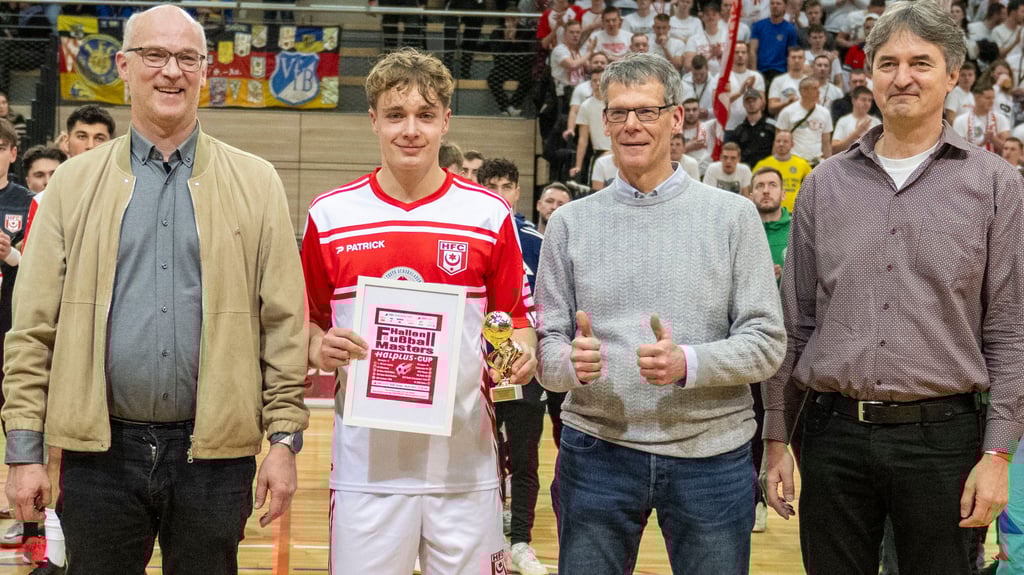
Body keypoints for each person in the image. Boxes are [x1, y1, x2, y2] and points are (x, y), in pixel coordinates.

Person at [1, 6, 310, 574]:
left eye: (187, 58)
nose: (172, 71)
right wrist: (23, 451)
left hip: (215, 459)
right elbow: (33, 330)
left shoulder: (257, 182)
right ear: (123, 65)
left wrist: (285, 442)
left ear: (204, 72)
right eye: (155, 55)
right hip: (99, 457)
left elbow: (286, 327)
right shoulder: (72, 184)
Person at [763, 3, 1022, 574]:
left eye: (920, 63)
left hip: (944, 441)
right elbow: (796, 323)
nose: (902, 77)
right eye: (888, 63)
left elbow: (1008, 329)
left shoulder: (997, 185)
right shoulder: (823, 184)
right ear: (869, 76)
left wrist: (997, 454)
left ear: (954, 75)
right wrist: (776, 441)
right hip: (832, 439)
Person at [535, 52, 785, 575]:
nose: (631, 125)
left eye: (647, 111)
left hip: (711, 458)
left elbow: (767, 342)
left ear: (677, 118)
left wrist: (688, 363)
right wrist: (566, 364)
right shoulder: (569, 224)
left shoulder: (734, 216)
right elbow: (548, 346)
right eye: (618, 112)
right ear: (602, 122)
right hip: (595, 453)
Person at [302, 48, 537, 575]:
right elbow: (305, 324)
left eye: (426, 116)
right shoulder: (331, 215)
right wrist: (319, 346)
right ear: (373, 121)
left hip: (467, 466)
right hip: (367, 471)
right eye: (395, 115)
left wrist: (519, 357)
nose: (411, 130)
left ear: (445, 121)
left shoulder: (487, 214)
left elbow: (516, 323)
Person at [475, 158, 548, 575]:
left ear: (518, 191)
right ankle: (483, 540)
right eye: (493, 185)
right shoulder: (470, 233)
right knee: (476, 457)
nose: (501, 193)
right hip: (477, 367)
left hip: (522, 365)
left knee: (524, 458)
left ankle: (520, 542)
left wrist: (534, 351)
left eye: (508, 185)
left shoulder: (535, 240)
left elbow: (547, 301)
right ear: (480, 187)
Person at [747, 165, 790, 534]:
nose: (765, 191)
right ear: (751, 193)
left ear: (782, 192)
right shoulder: (744, 230)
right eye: (759, 185)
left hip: (796, 346)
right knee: (756, 425)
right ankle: (756, 499)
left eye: (771, 185)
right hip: (754, 344)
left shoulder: (798, 229)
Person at [775, 76, 832, 164]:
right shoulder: (787, 112)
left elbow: (826, 143)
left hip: (816, 162)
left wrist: (829, 164)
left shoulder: (825, 113)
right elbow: (778, 140)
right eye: (814, 88)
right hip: (794, 162)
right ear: (803, 92)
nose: (819, 92)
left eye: (818, 88)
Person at [752, 130, 811, 212]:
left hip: (794, 212)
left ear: (792, 144)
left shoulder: (802, 164)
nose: (781, 144)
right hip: (769, 210)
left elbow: (812, 187)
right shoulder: (763, 164)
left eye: (785, 141)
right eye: (778, 141)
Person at [749, 0, 799, 87]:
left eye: (778, 3)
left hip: (780, 72)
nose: (775, 6)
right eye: (772, 3)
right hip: (761, 71)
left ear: (785, 6)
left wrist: (789, 76)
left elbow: (791, 54)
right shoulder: (758, 26)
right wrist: (754, 73)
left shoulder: (790, 29)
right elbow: (752, 50)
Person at [953, 79, 1012, 153]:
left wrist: (993, 139)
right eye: (988, 98)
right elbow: (958, 150)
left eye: (993, 98)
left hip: (995, 163)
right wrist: (983, 142)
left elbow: (1008, 150)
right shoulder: (960, 120)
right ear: (976, 98)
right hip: (971, 163)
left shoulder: (1002, 119)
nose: (991, 101)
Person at [728, 88, 776, 166]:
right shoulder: (739, 130)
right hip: (745, 170)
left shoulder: (772, 126)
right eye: (748, 101)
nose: (751, 103)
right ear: (743, 104)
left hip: (767, 169)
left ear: (761, 102)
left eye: (754, 100)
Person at [831, 85, 880, 153]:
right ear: (854, 101)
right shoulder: (843, 121)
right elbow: (834, 148)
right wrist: (856, 133)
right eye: (863, 100)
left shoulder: (876, 122)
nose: (867, 103)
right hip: (848, 160)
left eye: (869, 100)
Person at [767, 46, 807, 116]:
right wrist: (787, 103)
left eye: (800, 57)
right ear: (788, 59)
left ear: (804, 60)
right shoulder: (778, 81)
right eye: (793, 57)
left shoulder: (809, 81)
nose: (796, 60)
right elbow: (771, 108)